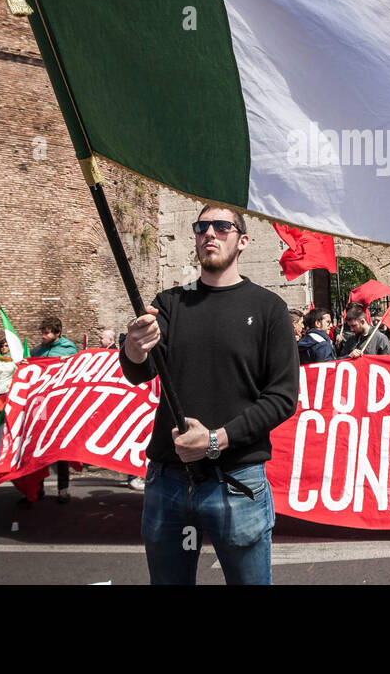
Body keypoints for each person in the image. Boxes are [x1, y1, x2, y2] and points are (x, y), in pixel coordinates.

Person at [121, 205, 298, 585]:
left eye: (222, 226)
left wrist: (215, 440)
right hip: (168, 480)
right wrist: (135, 346)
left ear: (243, 240)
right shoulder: (170, 303)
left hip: (237, 480)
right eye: (202, 227)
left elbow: (282, 398)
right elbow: (140, 371)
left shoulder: (269, 309)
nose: (210, 234)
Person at [28, 317, 78, 502]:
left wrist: (68, 362)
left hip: (58, 402)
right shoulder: (38, 350)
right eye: (42, 331)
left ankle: (63, 489)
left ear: (57, 333)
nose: (43, 335)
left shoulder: (69, 349)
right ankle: (38, 486)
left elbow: (75, 372)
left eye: (47, 332)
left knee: (59, 446)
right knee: (37, 445)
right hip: (40, 402)